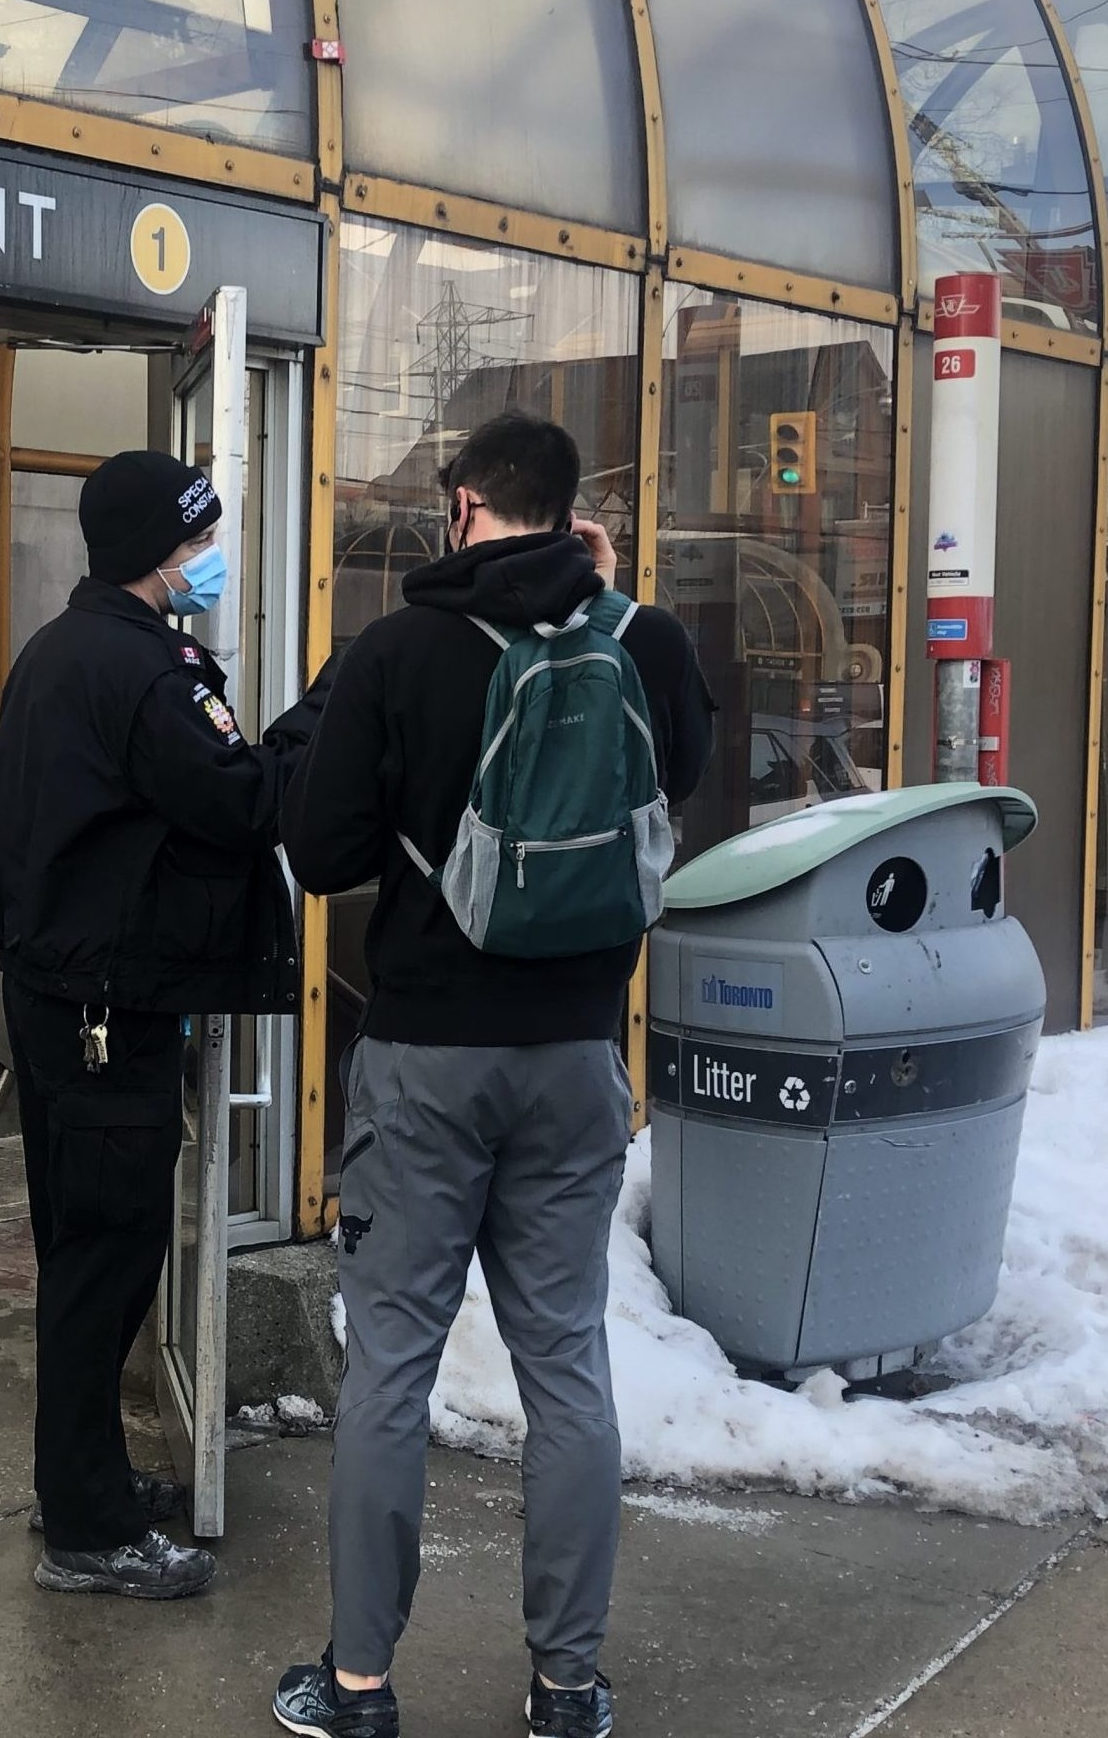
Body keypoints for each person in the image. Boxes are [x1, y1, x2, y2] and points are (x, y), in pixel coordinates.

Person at [271, 414, 713, 1738]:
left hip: (424, 1060)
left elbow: (324, 848)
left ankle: (356, 1686)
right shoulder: (644, 642)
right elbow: (672, 780)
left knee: (391, 1368)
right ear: (572, 515)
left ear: (462, 506)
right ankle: (566, 1687)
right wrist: (614, 591)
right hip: (578, 1053)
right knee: (566, 1365)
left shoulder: (400, 649)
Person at [0, 449, 331, 1600]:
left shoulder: (57, 651)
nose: (205, 561)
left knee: (93, 1247)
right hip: (99, 1006)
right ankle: (84, 1526)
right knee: (104, 1255)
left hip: (62, 991)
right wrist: (325, 713)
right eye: (195, 543)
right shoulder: (144, 668)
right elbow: (239, 799)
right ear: (154, 552)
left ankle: (85, 1479)